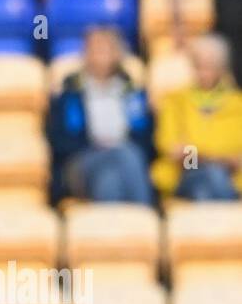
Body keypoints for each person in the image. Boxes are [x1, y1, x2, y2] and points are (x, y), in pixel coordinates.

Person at [47, 27, 155, 205]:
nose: (100, 56)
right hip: (82, 160)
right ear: (85, 54)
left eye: (106, 49)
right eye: (95, 49)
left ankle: (111, 229)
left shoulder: (132, 93)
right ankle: (145, 216)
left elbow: (147, 139)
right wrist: (101, 148)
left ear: (117, 54)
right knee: (126, 154)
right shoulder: (69, 94)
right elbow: (59, 141)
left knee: (109, 181)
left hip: (122, 161)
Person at [153, 34, 242, 201]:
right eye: (198, 66)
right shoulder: (175, 101)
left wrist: (199, 153)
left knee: (206, 189)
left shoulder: (238, 103)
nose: (203, 73)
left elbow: (238, 160)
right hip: (184, 176)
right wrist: (219, 158)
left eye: (209, 67)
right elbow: (173, 150)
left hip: (232, 181)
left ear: (222, 69)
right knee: (211, 177)